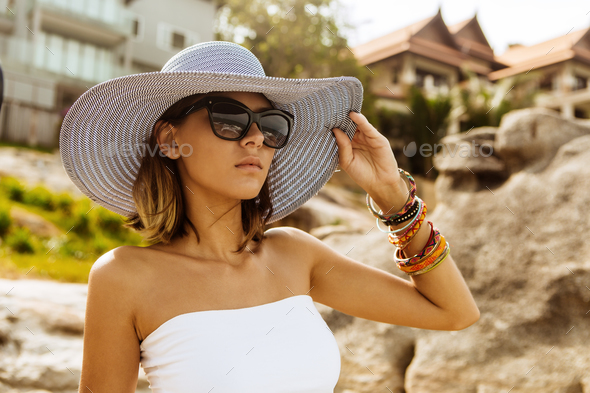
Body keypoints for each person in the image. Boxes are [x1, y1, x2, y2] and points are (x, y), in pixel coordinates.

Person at [60, 41, 479, 392]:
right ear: (170, 140)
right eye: (229, 118)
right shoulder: (123, 277)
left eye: (271, 124)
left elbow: (453, 312)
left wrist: (395, 201)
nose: (256, 137)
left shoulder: (295, 255)